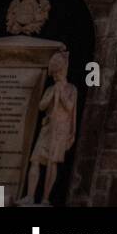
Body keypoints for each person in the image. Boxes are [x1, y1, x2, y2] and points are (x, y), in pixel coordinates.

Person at [19, 49, 77, 206]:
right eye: (55, 74)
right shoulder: (50, 89)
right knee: (36, 160)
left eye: (58, 73)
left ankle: (45, 198)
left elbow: (70, 107)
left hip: (60, 129)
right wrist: (52, 94)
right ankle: (30, 196)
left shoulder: (71, 89)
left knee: (52, 162)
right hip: (48, 126)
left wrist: (62, 94)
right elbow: (41, 106)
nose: (56, 76)